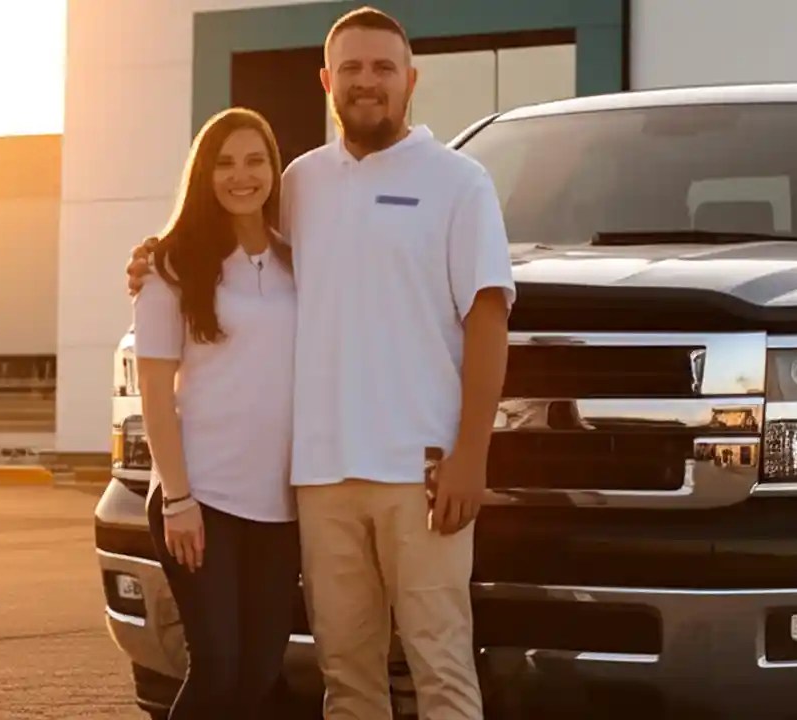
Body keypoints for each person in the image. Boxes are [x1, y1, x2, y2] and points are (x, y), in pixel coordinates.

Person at [128, 7, 514, 719]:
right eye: (353, 68)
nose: (368, 82)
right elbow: (230, 239)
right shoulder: (301, 181)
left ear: (411, 79)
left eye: (384, 68)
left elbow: (489, 320)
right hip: (318, 482)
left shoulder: (459, 181)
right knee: (348, 678)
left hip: (420, 477)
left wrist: (471, 455)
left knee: (442, 668)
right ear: (326, 80)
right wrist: (158, 256)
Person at [132, 106, 299, 720]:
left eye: (255, 160)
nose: (241, 175)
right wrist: (178, 498)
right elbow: (153, 389)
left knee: (259, 675)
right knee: (218, 671)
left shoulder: (296, 262)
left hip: (280, 505)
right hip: (201, 499)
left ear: (274, 170)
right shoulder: (170, 266)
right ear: (204, 175)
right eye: (224, 163)